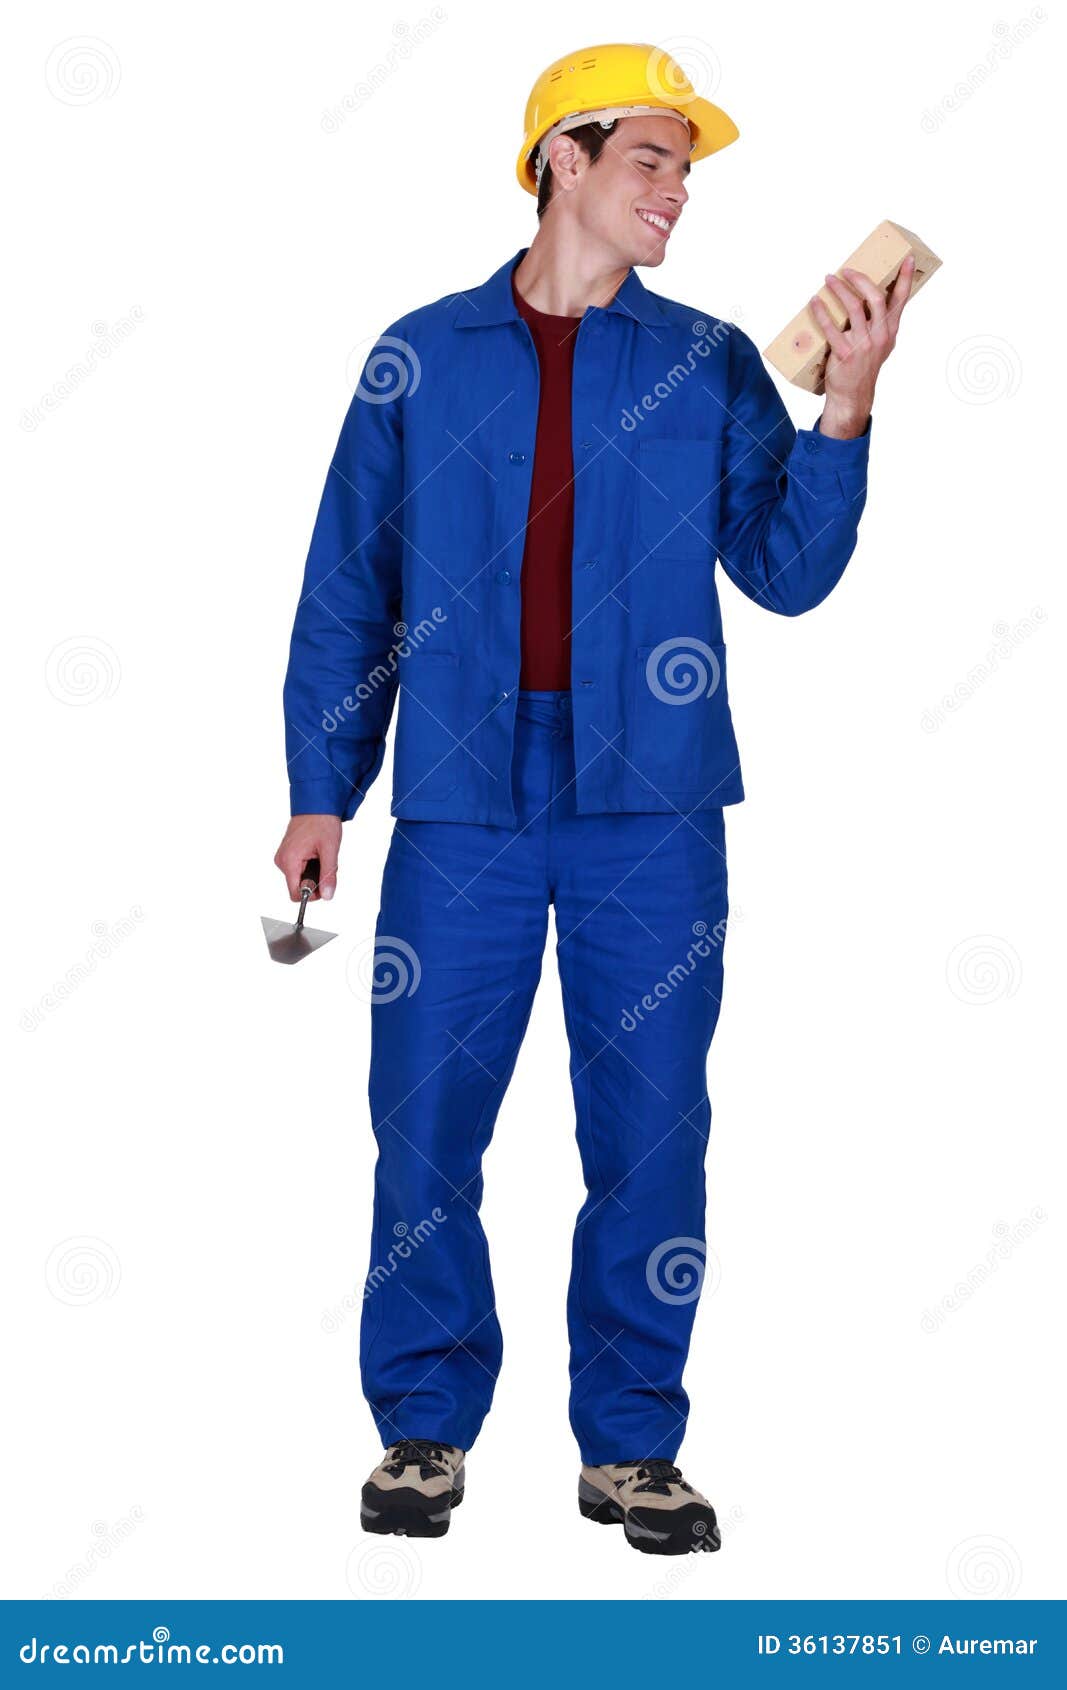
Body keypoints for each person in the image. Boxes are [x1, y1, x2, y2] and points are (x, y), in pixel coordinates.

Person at [275, 41, 914, 1556]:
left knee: (651, 1128)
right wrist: (320, 790)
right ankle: (423, 1427)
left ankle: (632, 1447)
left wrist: (847, 411)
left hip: (652, 803)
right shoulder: (419, 358)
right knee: (426, 1120)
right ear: (558, 161)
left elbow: (786, 572)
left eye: (687, 167)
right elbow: (345, 592)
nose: (679, 191)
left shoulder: (707, 365)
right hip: (457, 798)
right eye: (653, 158)